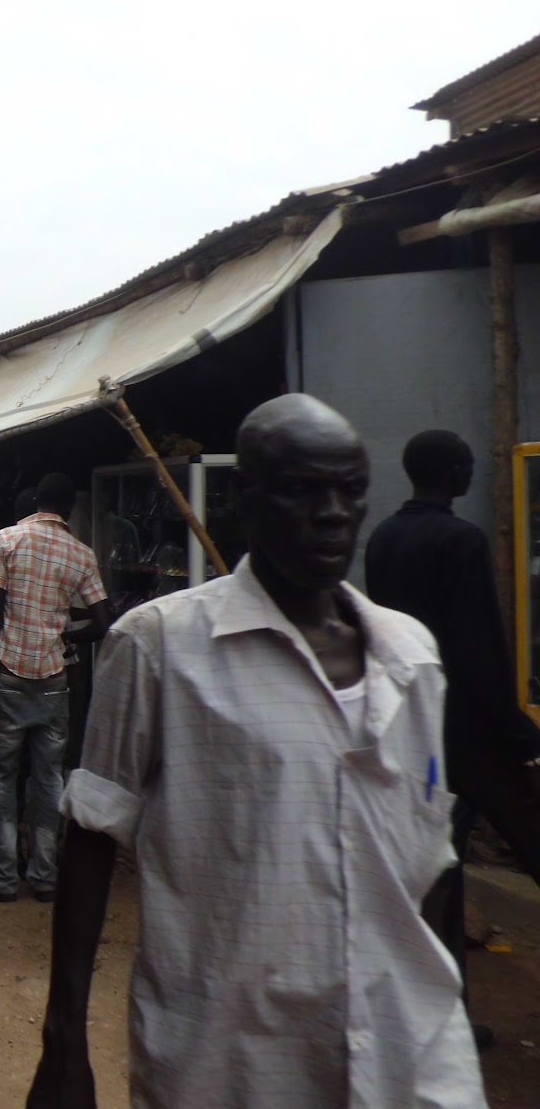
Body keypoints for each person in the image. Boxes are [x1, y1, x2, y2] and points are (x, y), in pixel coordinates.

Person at [28, 394, 482, 1109]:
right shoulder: (159, 646)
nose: (332, 512)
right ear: (246, 497)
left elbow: (428, 871)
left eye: (349, 490)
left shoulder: (411, 658)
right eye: (303, 491)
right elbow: (91, 830)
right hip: (229, 1056)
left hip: (407, 1054)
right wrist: (64, 1042)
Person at [365, 428, 540, 1045]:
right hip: (468, 730)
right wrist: (513, 726)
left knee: (437, 872)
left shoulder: (383, 538)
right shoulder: (459, 539)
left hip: (411, 728)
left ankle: (446, 1015)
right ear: (455, 471)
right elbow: (477, 645)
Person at [0, 473, 111, 904]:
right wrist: (68, 635)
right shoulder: (81, 554)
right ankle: (45, 875)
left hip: (10, 673)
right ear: (69, 509)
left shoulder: (7, 540)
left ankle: (3, 876)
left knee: (1, 775)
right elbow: (104, 623)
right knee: (49, 777)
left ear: (36, 502)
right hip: (54, 679)